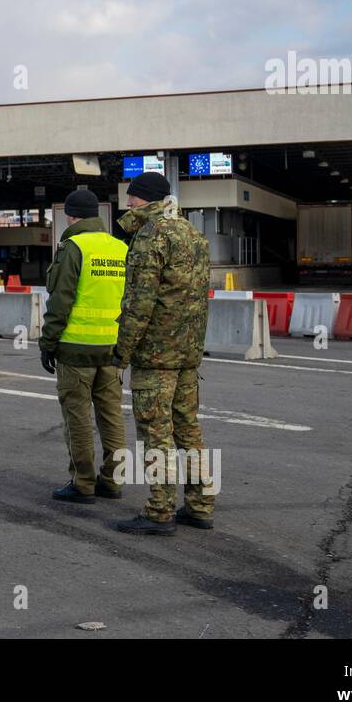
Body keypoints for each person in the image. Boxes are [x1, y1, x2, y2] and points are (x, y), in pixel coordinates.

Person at [111, 171, 214, 535]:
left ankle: (160, 511)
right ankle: (200, 505)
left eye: (132, 198)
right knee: (189, 429)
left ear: (145, 200)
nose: (127, 204)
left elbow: (140, 302)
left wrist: (121, 352)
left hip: (156, 355)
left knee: (157, 433)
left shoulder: (150, 236)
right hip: (187, 353)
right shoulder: (192, 232)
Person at [39, 190, 129, 504]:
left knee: (78, 417)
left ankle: (83, 483)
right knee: (112, 416)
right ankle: (113, 481)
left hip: (76, 349)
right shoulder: (121, 247)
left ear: (70, 216)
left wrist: (48, 342)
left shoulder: (73, 247)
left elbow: (60, 300)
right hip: (113, 349)